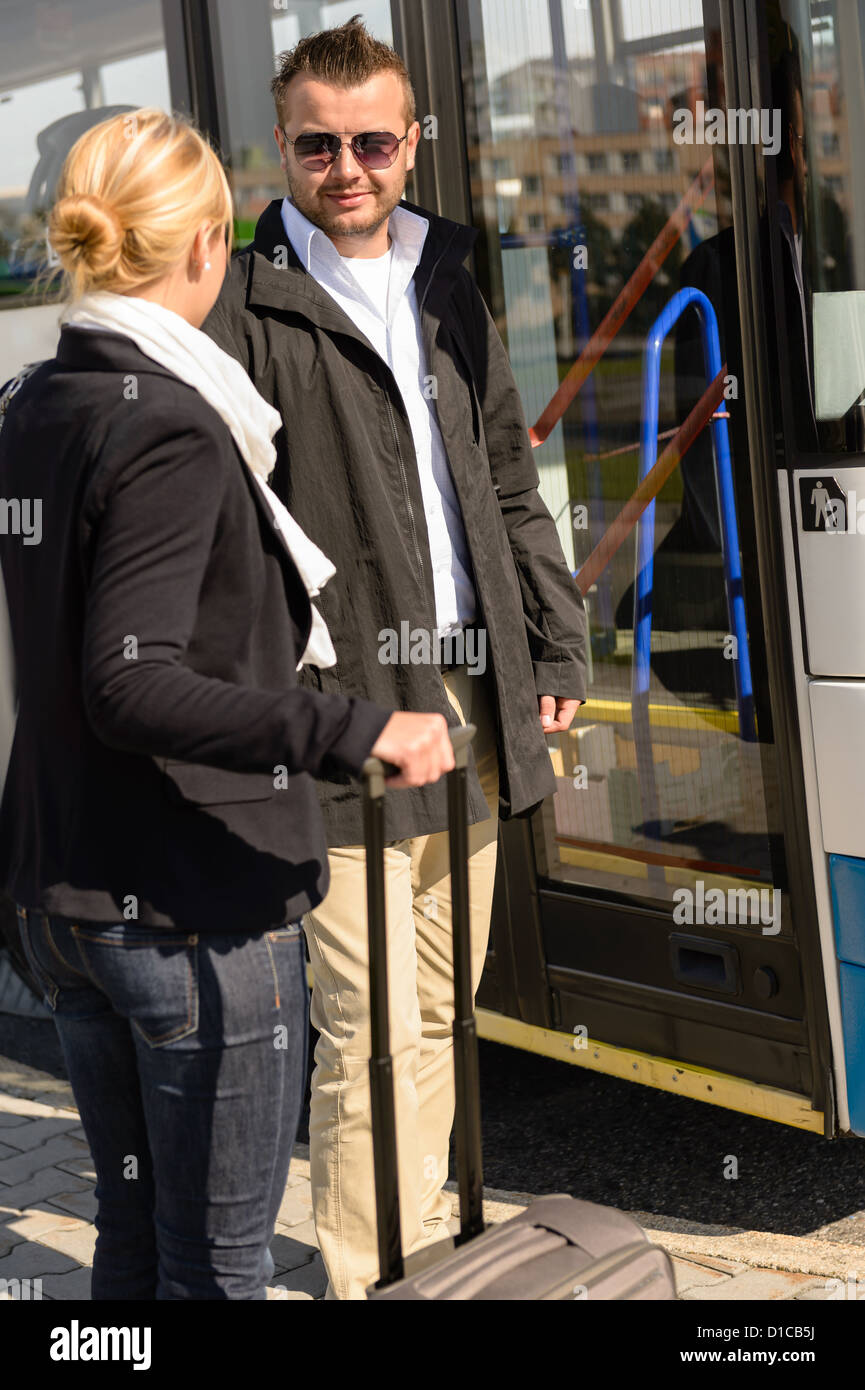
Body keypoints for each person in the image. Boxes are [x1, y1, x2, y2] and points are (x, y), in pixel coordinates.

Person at [0, 106, 453, 1301]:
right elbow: (129, 678)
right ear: (204, 245)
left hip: (70, 903)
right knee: (220, 1264)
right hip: (191, 910)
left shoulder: (38, 403)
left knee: (134, 1240)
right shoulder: (174, 429)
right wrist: (359, 727)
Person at [202, 17, 588, 1299]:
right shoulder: (244, 305)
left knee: (435, 1010)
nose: (348, 166)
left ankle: (419, 1251)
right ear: (285, 147)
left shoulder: (448, 281)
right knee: (364, 1025)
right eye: (320, 144)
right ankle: (371, 1277)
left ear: (412, 142)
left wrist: (551, 636)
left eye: (373, 140)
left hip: (471, 698)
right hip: (343, 718)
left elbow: (505, 477)